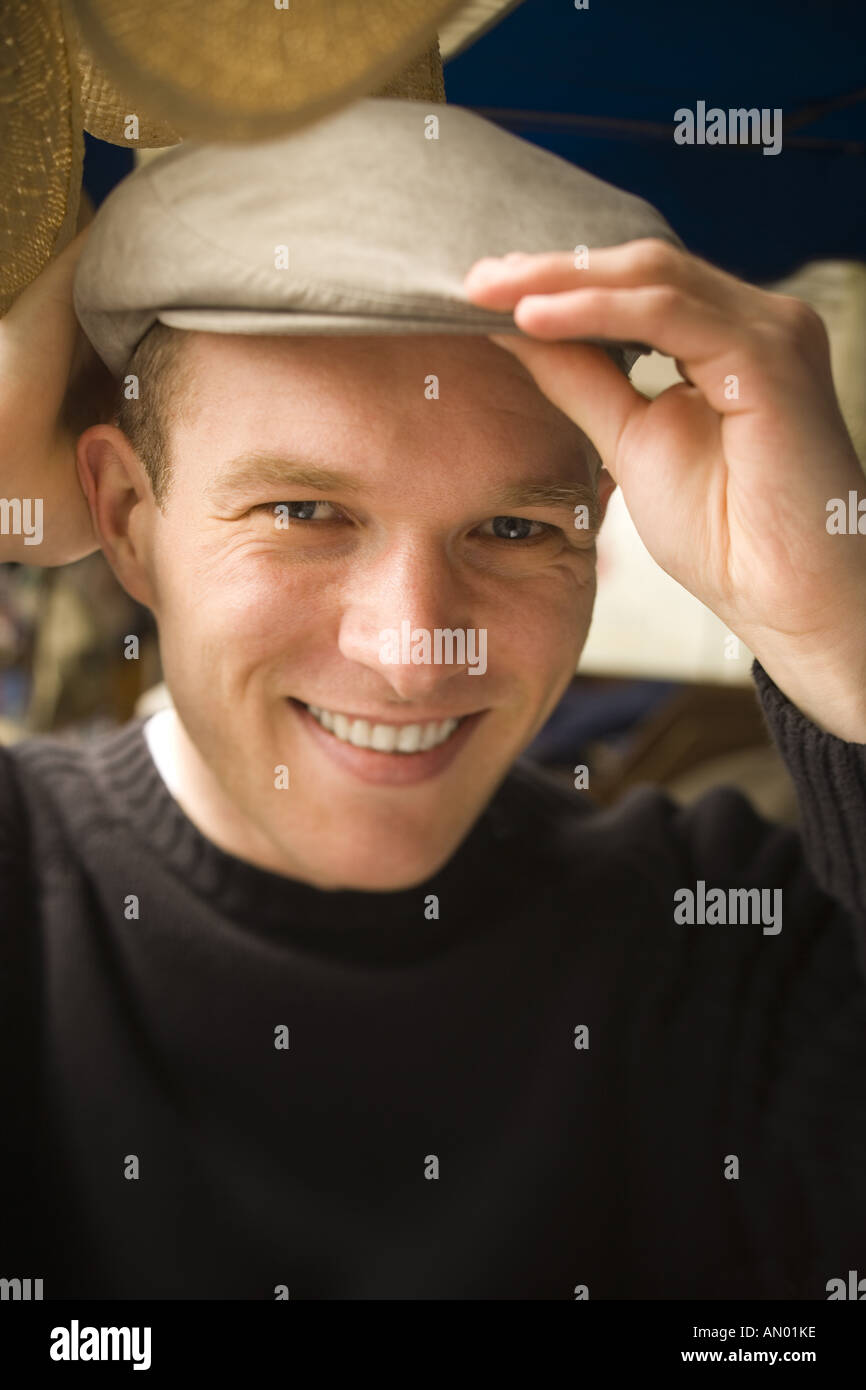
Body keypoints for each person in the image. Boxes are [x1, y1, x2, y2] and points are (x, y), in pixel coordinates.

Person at [1, 98, 864, 1301]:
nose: (413, 650)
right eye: (303, 514)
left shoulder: (719, 952)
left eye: (512, 529)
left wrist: (841, 636)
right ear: (129, 521)